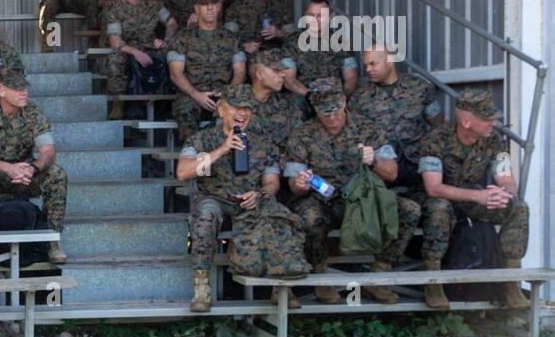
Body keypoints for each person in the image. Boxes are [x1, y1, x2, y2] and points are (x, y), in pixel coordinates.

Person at [284, 79, 420, 305]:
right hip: (323, 201)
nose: (332, 117)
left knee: (410, 210)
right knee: (310, 217)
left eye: (336, 110)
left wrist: (374, 161)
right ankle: (320, 276)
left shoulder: (368, 129)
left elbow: (392, 173)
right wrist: (300, 183)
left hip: (363, 199)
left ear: (344, 101)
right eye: (325, 113)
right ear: (315, 110)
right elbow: (293, 186)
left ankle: (380, 274)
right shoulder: (302, 135)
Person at [177, 84, 291, 312]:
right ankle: (202, 287)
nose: (242, 113)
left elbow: (272, 181)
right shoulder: (204, 140)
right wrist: (221, 149)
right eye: (236, 107)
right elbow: (183, 172)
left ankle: (282, 286)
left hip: (249, 202)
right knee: (206, 214)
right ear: (221, 110)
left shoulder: (262, 143)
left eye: (247, 108)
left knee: (280, 213)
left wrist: (260, 194)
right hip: (215, 199)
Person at [417, 87, 529, 310]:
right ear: (467, 122)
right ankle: (434, 282)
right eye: (487, 119)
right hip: (442, 200)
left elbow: (508, 180)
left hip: (473, 200)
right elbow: (433, 188)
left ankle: (510, 282)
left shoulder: (495, 140)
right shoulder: (435, 140)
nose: (493, 123)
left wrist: (502, 194)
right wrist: (479, 196)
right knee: (438, 208)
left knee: (518, 207)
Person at [0, 72, 68, 266]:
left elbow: (49, 151)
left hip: (25, 176)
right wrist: (8, 168)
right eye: (17, 89)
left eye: (25, 88)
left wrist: (34, 168)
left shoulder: (33, 112)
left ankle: (52, 241)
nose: (24, 93)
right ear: (2, 90)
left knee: (57, 174)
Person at [347, 42, 441, 190]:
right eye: (366, 65)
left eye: (373, 64)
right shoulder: (360, 98)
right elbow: (352, 134)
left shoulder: (419, 87)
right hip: (383, 173)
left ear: (390, 60)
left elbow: (437, 123)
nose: (368, 69)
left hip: (419, 169)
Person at [167, 0, 244, 143]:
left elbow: (240, 72)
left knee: (239, 109)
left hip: (223, 93)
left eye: (214, 3)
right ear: (197, 8)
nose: (210, 8)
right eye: (204, 4)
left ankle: (223, 156)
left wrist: (227, 95)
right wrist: (196, 95)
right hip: (192, 94)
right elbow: (176, 74)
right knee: (184, 108)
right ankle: (193, 157)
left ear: (219, 6)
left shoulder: (231, 38)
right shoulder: (183, 37)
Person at [102, 0, 176, 119]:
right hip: (128, 50)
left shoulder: (154, 4)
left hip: (150, 47)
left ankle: (169, 105)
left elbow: (171, 23)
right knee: (115, 58)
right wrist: (135, 52)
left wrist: (165, 42)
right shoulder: (116, 8)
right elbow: (115, 41)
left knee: (175, 56)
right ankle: (118, 104)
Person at [283, 0, 358, 107]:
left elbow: (351, 78)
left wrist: (341, 98)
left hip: (335, 99)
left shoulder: (341, 42)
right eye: (311, 15)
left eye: (320, 16)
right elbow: (289, 80)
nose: (315, 20)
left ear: (330, 17)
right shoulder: (293, 42)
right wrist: (311, 96)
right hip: (304, 98)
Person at [245, 49, 303, 151]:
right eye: (276, 71)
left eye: (282, 70)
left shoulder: (287, 102)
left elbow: (298, 137)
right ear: (259, 75)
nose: (283, 75)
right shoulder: (236, 103)